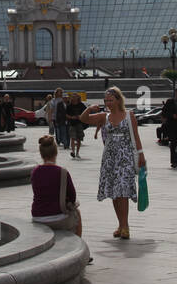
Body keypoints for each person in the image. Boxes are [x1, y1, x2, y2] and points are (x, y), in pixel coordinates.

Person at [81, 86, 146, 239]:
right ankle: (121, 224)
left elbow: (136, 137)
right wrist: (89, 108)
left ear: (118, 100)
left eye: (110, 99)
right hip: (110, 158)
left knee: (123, 190)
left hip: (126, 157)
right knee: (114, 193)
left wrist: (141, 155)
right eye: (106, 100)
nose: (108, 102)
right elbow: (83, 119)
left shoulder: (129, 115)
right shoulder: (104, 116)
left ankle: (125, 226)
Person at [30, 134, 83, 238]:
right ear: (56, 153)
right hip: (58, 217)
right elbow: (72, 196)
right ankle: (78, 245)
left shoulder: (35, 172)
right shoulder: (62, 172)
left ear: (41, 154)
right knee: (77, 213)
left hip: (38, 217)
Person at [66, 93, 86, 159]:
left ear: (78, 98)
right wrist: (71, 117)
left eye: (75, 97)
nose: (73, 98)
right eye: (72, 97)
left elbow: (85, 112)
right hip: (72, 124)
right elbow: (66, 114)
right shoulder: (69, 106)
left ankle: (77, 153)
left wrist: (80, 116)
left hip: (79, 123)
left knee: (79, 139)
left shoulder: (81, 105)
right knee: (72, 137)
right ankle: (73, 152)